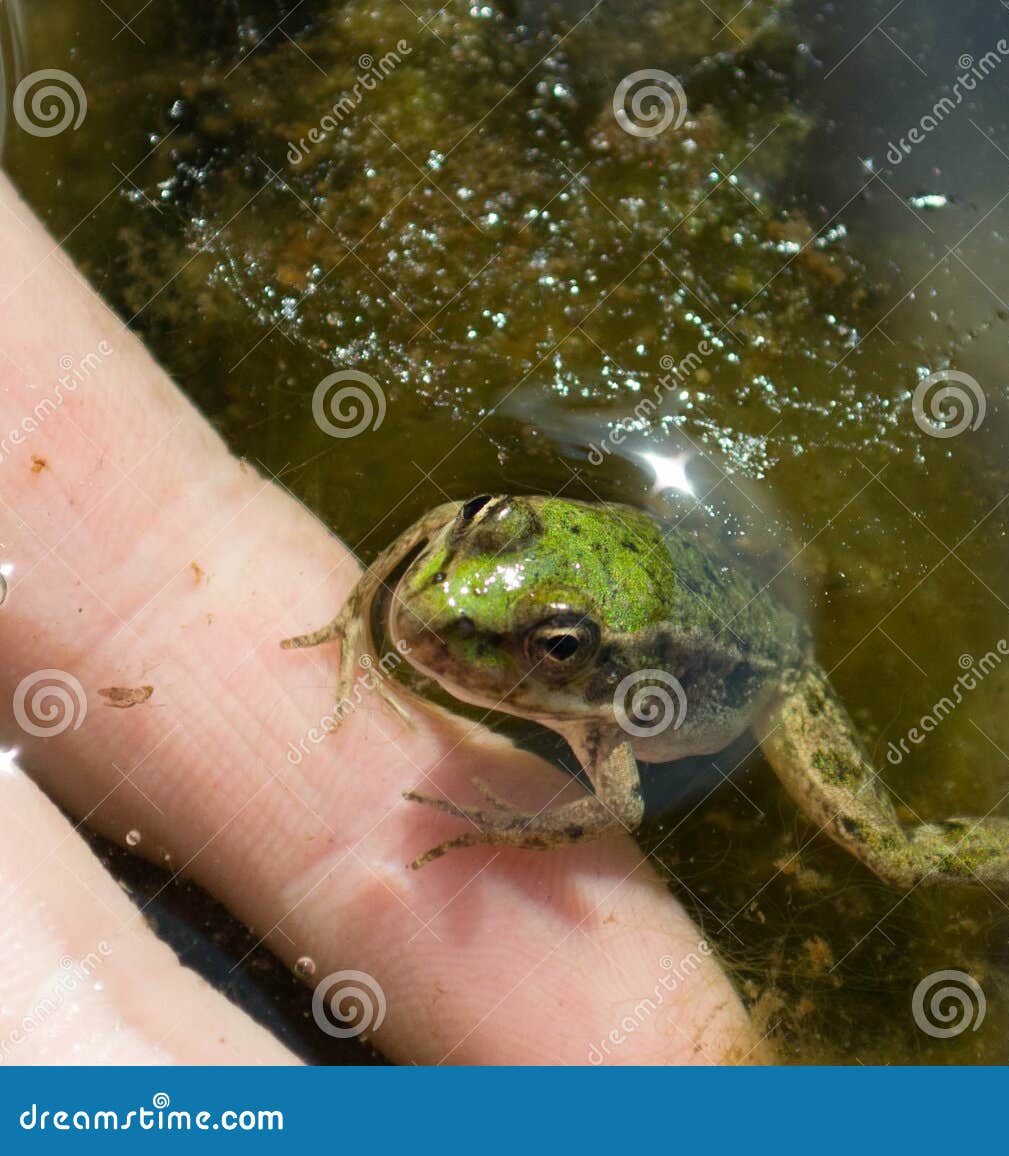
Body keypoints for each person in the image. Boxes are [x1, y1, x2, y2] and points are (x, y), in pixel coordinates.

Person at [0, 175, 757, 1064]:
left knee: (885, 848)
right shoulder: (465, 543)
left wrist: (502, 829)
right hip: (654, 566)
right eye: (488, 526)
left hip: (743, 657)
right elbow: (446, 518)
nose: (435, 610)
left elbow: (620, 805)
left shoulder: (611, 718)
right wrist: (360, 612)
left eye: (553, 648)